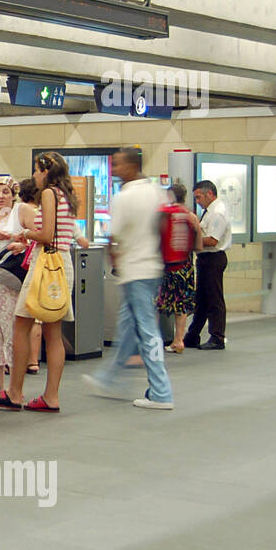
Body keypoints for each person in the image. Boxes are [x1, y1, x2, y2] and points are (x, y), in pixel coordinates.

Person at [82, 148, 175, 410]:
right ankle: (109, 378)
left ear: (132, 166)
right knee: (129, 325)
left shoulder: (125, 196)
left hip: (135, 271)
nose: (115, 169)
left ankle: (161, 392)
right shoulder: (156, 191)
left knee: (147, 330)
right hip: (152, 268)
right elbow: (163, 228)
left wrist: (116, 260)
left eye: (119, 164)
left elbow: (114, 236)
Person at [0, 152, 77, 413]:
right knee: (53, 332)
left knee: (21, 324)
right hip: (62, 264)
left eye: (37, 170)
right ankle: (50, 395)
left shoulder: (50, 194)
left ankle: (14, 392)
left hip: (46, 265)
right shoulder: (67, 195)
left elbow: (47, 234)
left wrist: (26, 233)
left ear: (46, 171)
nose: (34, 175)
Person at [0, 175, 25, 400]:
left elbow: (35, 238)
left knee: (11, 330)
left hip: (11, 279)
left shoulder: (21, 212)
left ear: (13, 194)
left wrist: (19, 242)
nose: (1, 196)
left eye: (5, 192)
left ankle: (14, 384)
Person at [184, 179, 231, 350]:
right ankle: (192, 335)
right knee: (202, 299)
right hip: (205, 259)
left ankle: (217, 336)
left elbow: (212, 240)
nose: (197, 201)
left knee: (214, 298)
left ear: (209, 194)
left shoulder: (217, 212)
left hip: (213, 258)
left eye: (198, 197)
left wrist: (189, 242)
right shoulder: (209, 211)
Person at [158, 184, 202, 354]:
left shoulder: (164, 215)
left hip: (167, 267)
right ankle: (179, 340)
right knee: (181, 305)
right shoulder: (191, 217)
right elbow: (198, 246)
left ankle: (151, 341)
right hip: (185, 267)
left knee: (157, 302)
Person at [16, 178, 44, 376]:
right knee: (37, 318)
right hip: (41, 267)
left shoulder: (24, 210)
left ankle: (21, 363)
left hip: (29, 266)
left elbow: (40, 234)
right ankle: (33, 359)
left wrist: (22, 235)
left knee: (24, 316)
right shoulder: (43, 211)